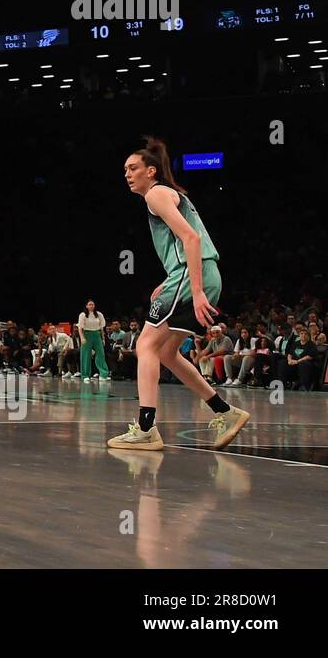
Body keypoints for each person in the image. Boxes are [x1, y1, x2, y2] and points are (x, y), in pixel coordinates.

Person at [108, 137, 249, 451]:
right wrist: (173, 278)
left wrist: (195, 290)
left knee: (145, 344)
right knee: (167, 353)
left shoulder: (156, 194)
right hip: (197, 273)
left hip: (193, 274)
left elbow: (191, 239)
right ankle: (225, 412)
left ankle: (145, 429)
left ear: (151, 171)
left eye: (133, 168)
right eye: (125, 170)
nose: (127, 174)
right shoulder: (167, 194)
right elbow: (184, 244)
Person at [77, 299, 112, 383]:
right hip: (86, 334)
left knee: (101, 354)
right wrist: (82, 338)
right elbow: (80, 328)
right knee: (86, 354)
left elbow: (101, 327)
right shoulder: (83, 315)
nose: (91, 306)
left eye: (92, 304)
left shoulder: (99, 314)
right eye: (89, 304)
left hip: (96, 334)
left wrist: (103, 338)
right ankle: (85, 375)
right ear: (86, 306)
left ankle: (103, 374)